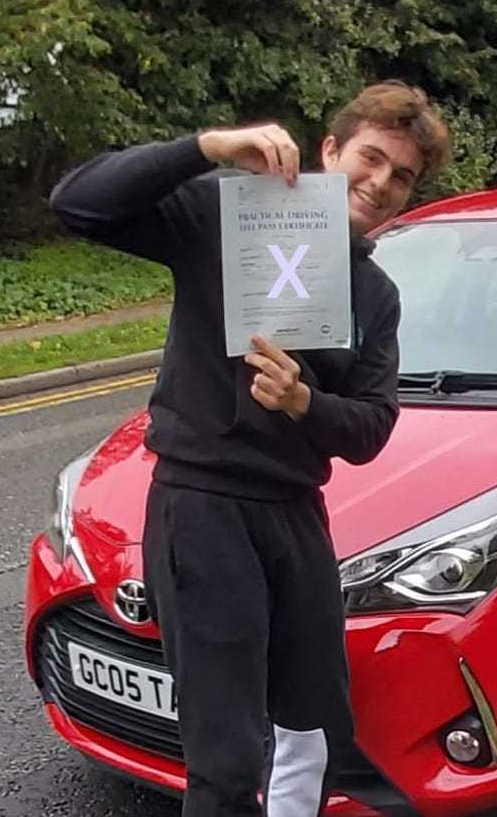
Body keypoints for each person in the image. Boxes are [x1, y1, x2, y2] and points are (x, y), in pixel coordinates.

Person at [49, 82, 451, 816]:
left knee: (315, 735)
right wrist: (207, 148)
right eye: (370, 158)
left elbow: (370, 427)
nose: (380, 183)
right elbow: (80, 203)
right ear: (330, 150)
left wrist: (304, 403)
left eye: (402, 176)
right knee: (227, 760)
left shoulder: (376, 294)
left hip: (294, 516)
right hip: (203, 507)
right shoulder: (228, 218)